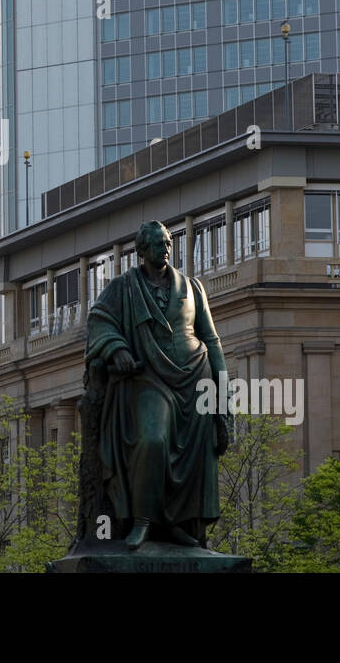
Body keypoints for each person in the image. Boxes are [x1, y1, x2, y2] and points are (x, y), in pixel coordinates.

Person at [85, 220, 230, 550]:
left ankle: (176, 523)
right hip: (148, 379)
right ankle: (143, 520)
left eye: (167, 243)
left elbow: (211, 339)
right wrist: (116, 349)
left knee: (194, 458)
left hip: (196, 379)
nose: (164, 248)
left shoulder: (192, 287)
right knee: (153, 439)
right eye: (156, 244)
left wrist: (224, 390)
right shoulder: (123, 287)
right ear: (141, 250)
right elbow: (98, 322)